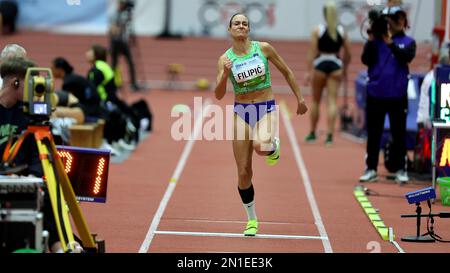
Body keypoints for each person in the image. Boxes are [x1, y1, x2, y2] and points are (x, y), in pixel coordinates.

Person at [214, 13, 308, 236]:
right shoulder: (224, 59)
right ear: (229, 30)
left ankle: (273, 145)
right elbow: (218, 95)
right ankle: (252, 219)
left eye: (245, 23)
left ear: (248, 29)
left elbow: (286, 72)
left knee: (260, 145)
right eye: (236, 23)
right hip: (242, 111)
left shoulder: (263, 48)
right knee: (244, 171)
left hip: (265, 107)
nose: (241, 26)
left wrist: (300, 98)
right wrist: (225, 74)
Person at [0, 57, 67, 253]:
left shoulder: (30, 115)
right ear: (16, 82)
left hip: (24, 181)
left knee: (45, 193)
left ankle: (59, 248)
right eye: (30, 83)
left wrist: (35, 175)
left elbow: (40, 155)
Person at [359, 6, 416, 184]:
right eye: (392, 18)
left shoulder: (408, 42)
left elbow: (406, 58)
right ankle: (371, 168)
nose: (395, 22)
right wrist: (371, 40)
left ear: (404, 22)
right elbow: (365, 60)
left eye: (398, 19)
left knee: (399, 134)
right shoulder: (375, 42)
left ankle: (401, 169)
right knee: (374, 134)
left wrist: (390, 42)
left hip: (397, 96)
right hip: (376, 94)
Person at [304, 0, 351, 145]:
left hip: (320, 65)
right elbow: (348, 53)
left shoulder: (317, 30)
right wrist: (344, 67)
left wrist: (308, 71)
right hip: (336, 66)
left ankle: (312, 132)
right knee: (332, 101)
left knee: (315, 101)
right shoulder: (342, 31)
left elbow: (311, 52)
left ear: (324, 14)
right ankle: (329, 136)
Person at [109, 0, 145, 92]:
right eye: (120, 3)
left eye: (122, 3)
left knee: (131, 63)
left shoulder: (126, 15)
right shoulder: (114, 15)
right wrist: (120, 27)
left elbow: (127, 27)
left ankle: (133, 84)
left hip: (124, 43)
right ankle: (113, 84)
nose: (121, 5)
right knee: (114, 65)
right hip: (115, 42)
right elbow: (112, 30)